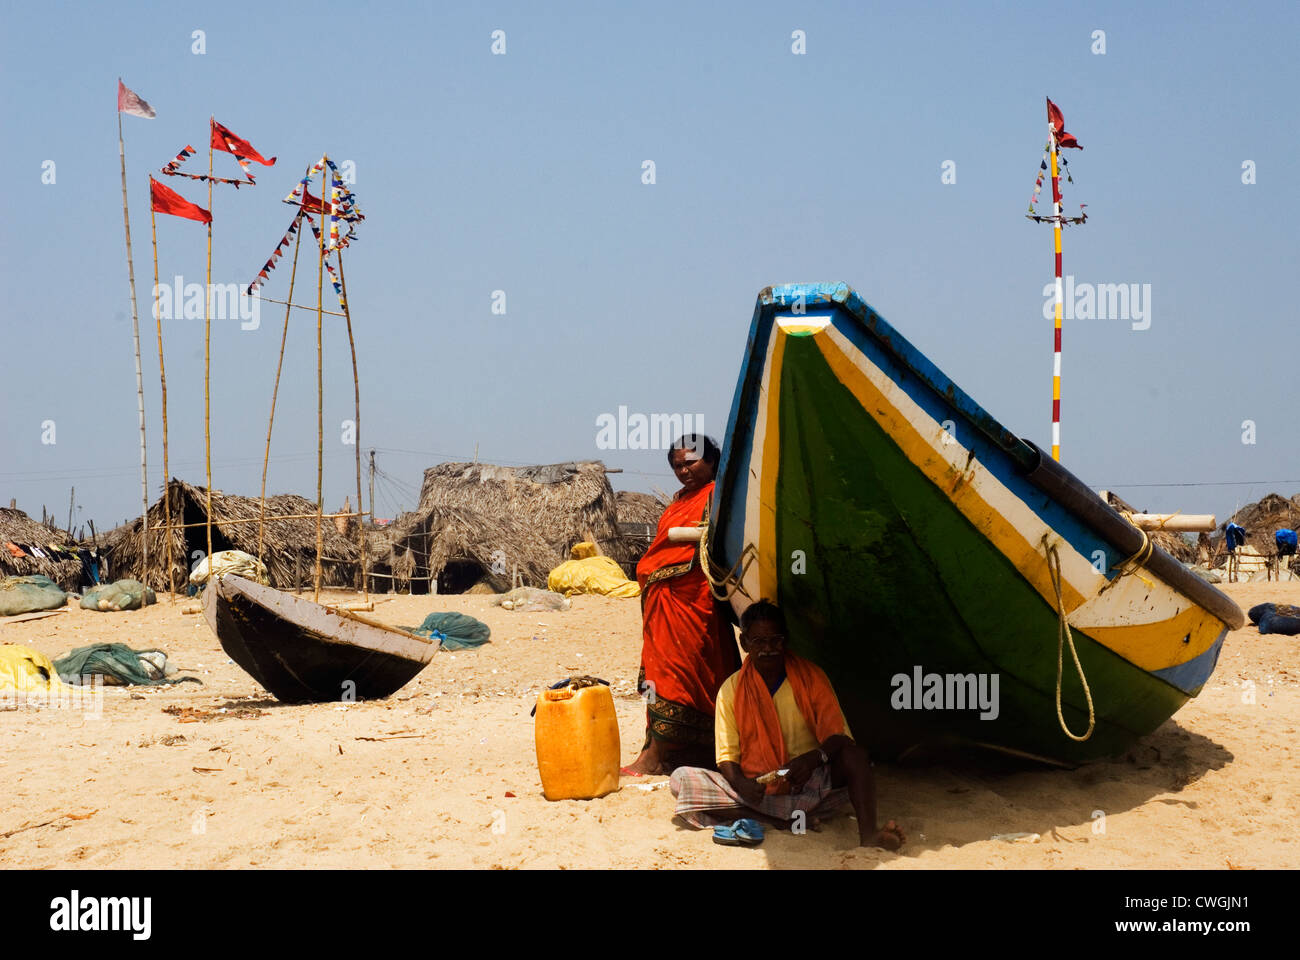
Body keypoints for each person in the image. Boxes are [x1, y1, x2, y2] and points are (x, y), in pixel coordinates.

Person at [670, 600, 905, 850]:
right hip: (758, 792)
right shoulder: (731, 690)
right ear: (744, 643)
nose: (768, 649)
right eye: (759, 641)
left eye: (776, 640)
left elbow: (839, 737)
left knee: (856, 756)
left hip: (811, 785)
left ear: (786, 640)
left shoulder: (811, 677)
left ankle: (868, 835)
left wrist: (814, 759)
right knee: (681, 778)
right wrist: (743, 785)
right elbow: (726, 756)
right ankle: (779, 820)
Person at [622, 435, 741, 776]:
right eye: (677, 465)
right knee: (658, 676)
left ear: (712, 461)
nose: (683, 470)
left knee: (695, 673)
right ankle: (654, 752)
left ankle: (693, 752)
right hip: (664, 605)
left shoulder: (720, 496)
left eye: (690, 462)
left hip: (696, 602)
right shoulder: (677, 502)